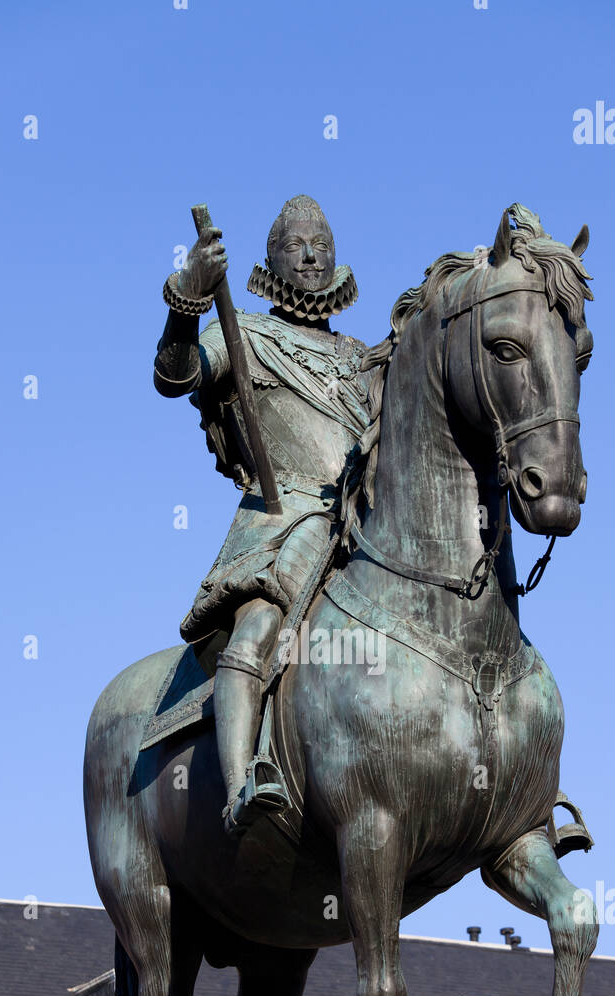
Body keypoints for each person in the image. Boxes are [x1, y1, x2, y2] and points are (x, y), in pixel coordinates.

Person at [153, 195, 371, 835]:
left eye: (322, 243)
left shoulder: (364, 358)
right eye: (296, 244)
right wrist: (185, 303)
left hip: (363, 524)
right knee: (256, 629)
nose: (310, 254)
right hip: (282, 521)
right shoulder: (241, 333)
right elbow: (175, 375)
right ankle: (241, 783)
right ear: (271, 259)